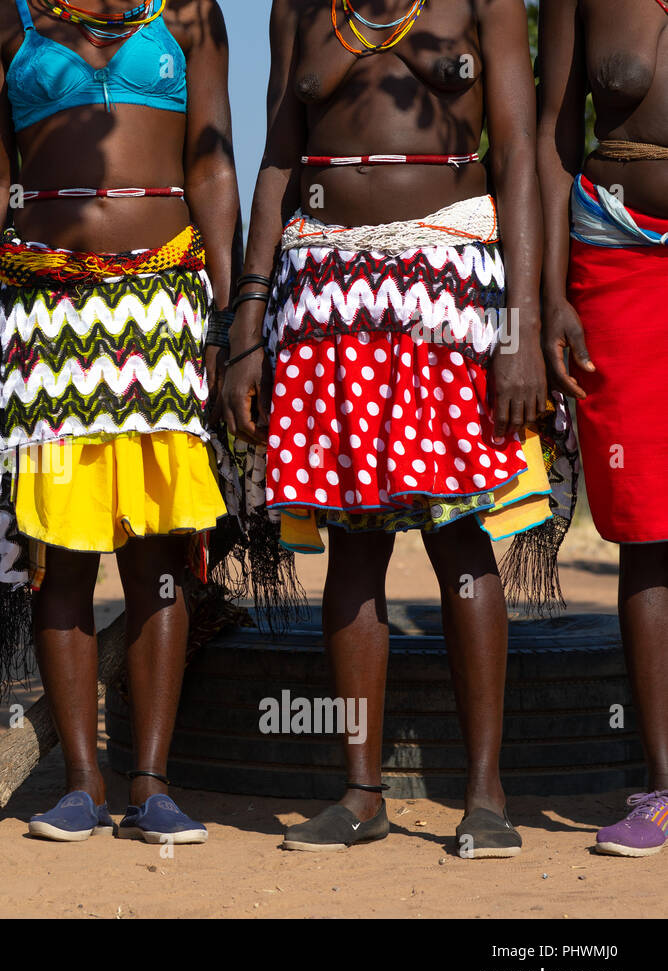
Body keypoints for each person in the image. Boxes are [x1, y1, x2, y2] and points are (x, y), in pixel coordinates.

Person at [223, 0, 572, 857]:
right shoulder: (298, 7)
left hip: (448, 279)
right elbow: (276, 160)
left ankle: (486, 796)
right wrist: (246, 319)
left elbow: (520, 155)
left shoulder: (481, 2)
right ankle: (360, 792)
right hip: (323, 287)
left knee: (460, 536)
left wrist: (519, 333)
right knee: (353, 541)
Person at [0, 0, 238, 844]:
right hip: (44, 306)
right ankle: (81, 782)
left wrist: (231, 313)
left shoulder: (187, 15)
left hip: (167, 302)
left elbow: (213, 166)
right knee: (62, 551)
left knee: (160, 549)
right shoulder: (3, 20)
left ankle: (150, 782)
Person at [538, 0, 668, 857]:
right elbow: (549, 142)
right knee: (645, 526)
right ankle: (662, 784)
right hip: (618, 256)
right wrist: (548, 295)